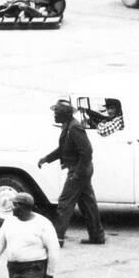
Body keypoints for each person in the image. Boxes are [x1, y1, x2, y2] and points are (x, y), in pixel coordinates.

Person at [38, 98, 105, 246]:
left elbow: (87, 152)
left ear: (64, 114)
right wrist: (46, 159)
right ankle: (97, 236)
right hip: (82, 169)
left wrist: (77, 174)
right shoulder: (67, 126)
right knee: (88, 204)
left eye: (56, 112)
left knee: (65, 203)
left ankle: (57, 239)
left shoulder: (74, 127)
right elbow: (63, 149)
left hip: (79, 169)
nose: (54, 115)